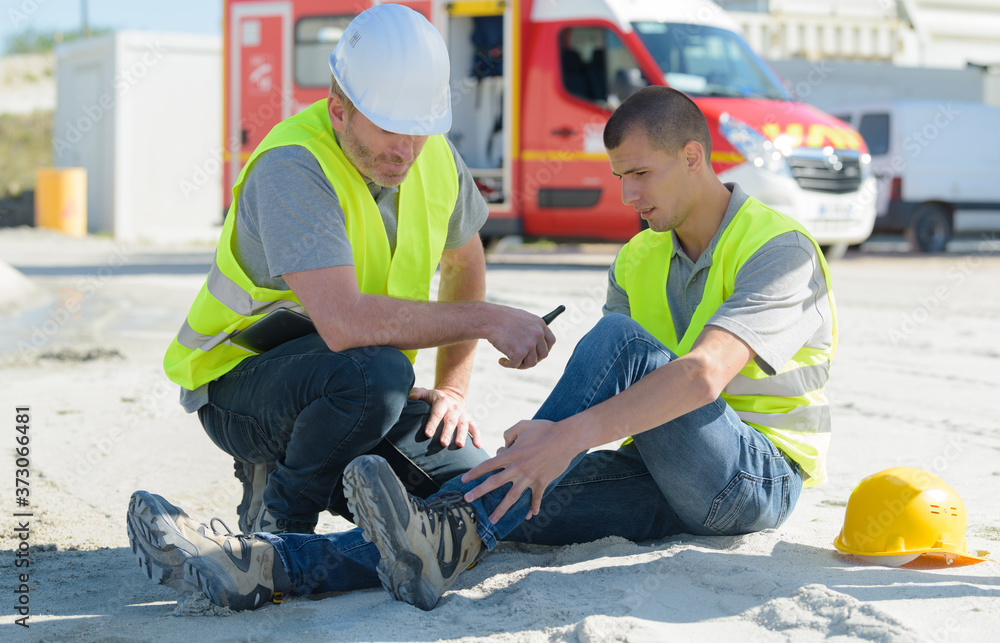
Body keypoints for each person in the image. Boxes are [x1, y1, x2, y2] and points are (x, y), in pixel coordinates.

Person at [127, 85, 836, 612]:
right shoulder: (635, 260)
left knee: (593, 373)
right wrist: (540, 450)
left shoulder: (778, 247)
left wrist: (567, 434)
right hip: (656, 472)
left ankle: (460, 522)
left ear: (694, 156)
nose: (626, 194)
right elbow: (628, 400)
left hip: (754, 479)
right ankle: (269, 564)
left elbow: (701, 375)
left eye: (640, 174)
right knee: (499, 493)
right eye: (618, 176)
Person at [160, 3, 554, 538]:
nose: (406, 149)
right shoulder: (292, 166)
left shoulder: (431, 154)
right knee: (375, 374)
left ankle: (329, 473)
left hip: (364, 389)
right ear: (338, 109)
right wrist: (486, 320)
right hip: (242, 386)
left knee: (470, 487)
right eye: (390, 128)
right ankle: (282, 526)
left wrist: (452, 392)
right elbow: (345, 323)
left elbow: (464, 262)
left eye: (419, 129)